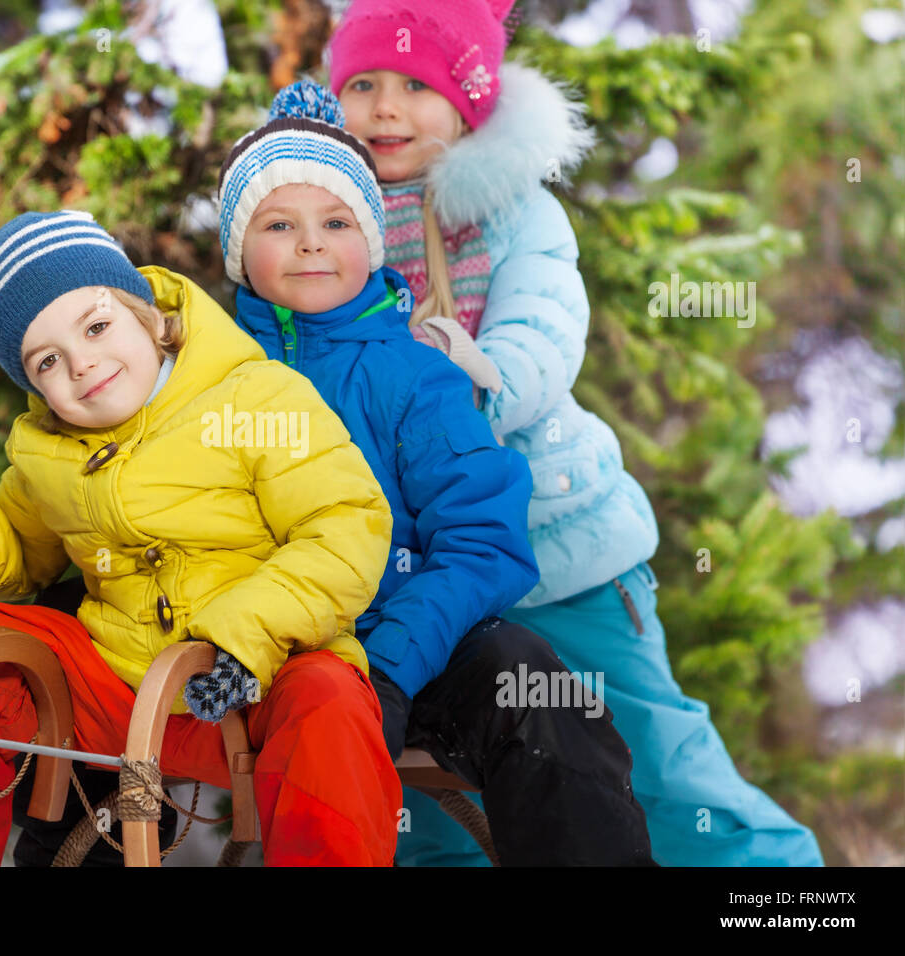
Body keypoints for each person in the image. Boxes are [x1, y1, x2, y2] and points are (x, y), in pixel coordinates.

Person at [326, 0, 823, 866]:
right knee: (438, 809)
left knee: (659, 768)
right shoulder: (329, 225)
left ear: (470, 102)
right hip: (426, 581)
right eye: (362, 84)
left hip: (563, 551)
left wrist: (473, 378)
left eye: (415, 85)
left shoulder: (514, 211)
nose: (384, 108)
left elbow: (544, 329)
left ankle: (777, 885)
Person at [0, 209, 402, 866]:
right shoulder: (52, 454)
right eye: (48, 362)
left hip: (262, 675)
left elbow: (345, 524)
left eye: (96, 327)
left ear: (146, 314)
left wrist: (247, 636)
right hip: (117, 682)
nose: (83, 364)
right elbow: (19, 534)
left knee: (332, 709)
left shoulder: (257, 400)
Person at [217, 79, 655, 865]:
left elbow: (482, 539)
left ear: (372, 239)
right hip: (266, 658)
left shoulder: (417, 374)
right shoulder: (214, 382)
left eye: (337, 221)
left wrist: (389, 663)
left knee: (535, 686)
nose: (311, 243)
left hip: (408, 649)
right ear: (239, 252)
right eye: (279, 223)